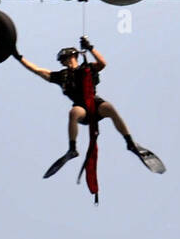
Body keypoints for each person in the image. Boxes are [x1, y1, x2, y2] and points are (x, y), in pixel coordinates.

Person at [14, 36, 160, 174]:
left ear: (73, 57)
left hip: (94, 103)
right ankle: (72, 149)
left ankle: (130, 142)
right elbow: (38, 70)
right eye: (62, 61)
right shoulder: (62, 76)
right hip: (82, 108)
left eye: (65, 59)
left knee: (109, 108)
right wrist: (18, 56)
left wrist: (90, 48)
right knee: (73, 113)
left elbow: (102, 63)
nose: (64, 62)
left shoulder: (87, 68)